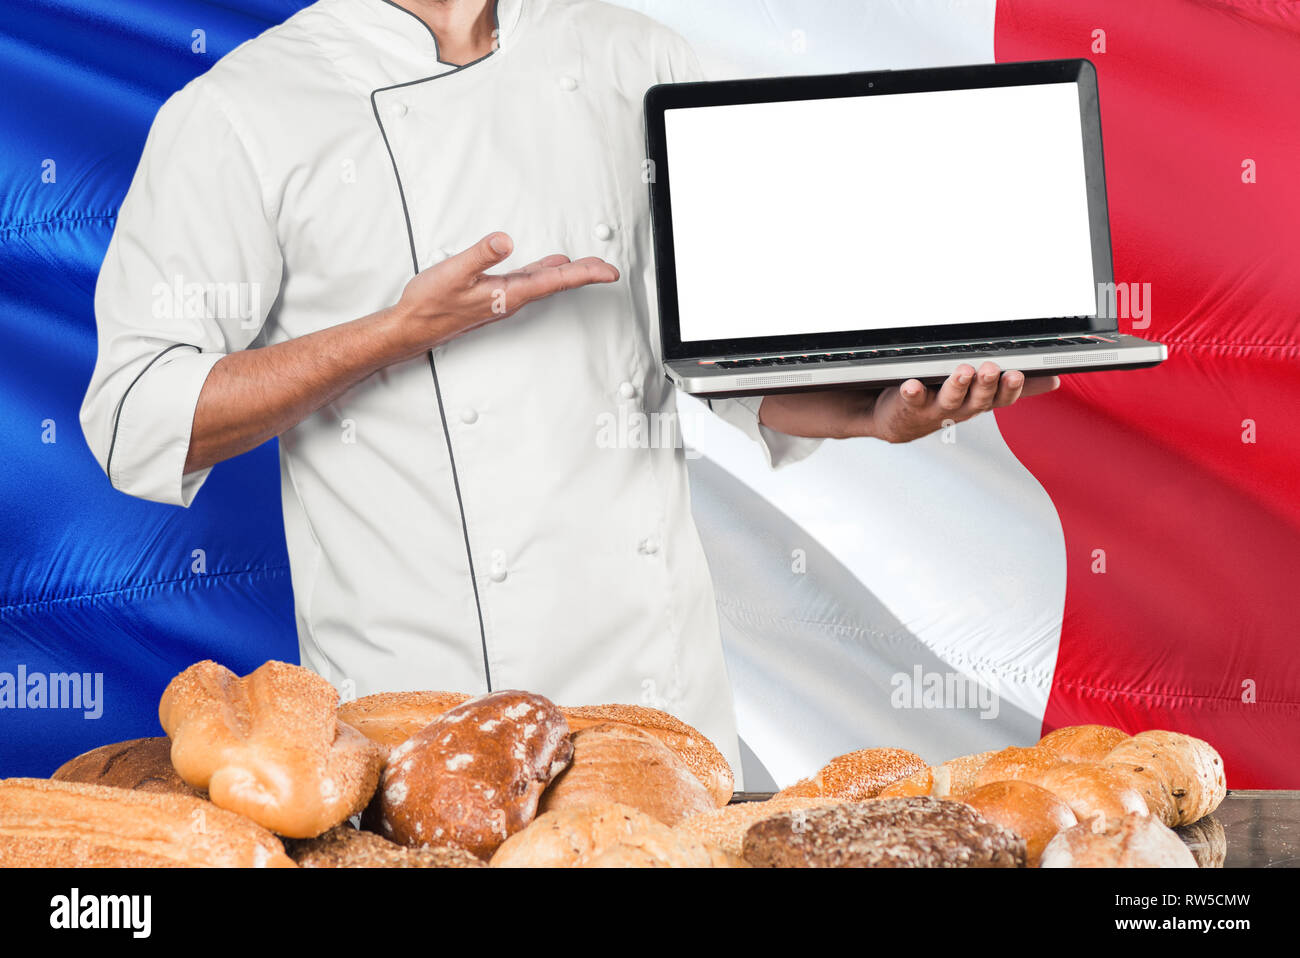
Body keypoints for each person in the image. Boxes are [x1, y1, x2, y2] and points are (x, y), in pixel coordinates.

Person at [80, 0, 1057, 777]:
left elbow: (714, 354)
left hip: (661, 717)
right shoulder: (242, 112)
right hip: (420, 732)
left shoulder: (637, 57)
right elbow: (136, 417)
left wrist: (875, 413)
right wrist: (393, 334)